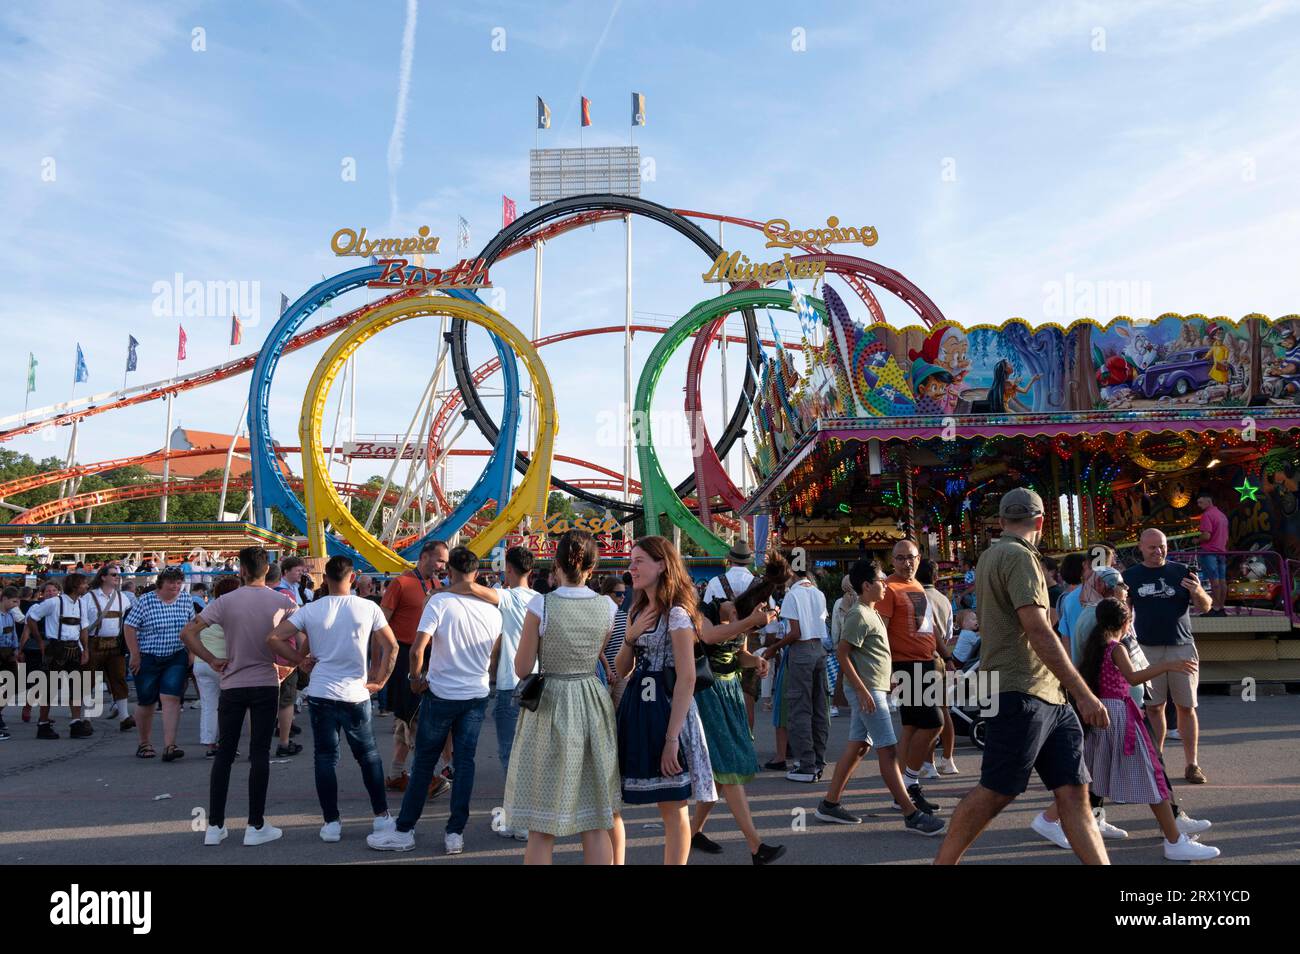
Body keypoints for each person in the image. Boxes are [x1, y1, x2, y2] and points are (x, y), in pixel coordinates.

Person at [935, 488, 1111, 865]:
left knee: (1074, 792)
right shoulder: (1018, 557)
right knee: (996, 791)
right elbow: (1037, 629)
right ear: (1041, 523)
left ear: (1000, 522)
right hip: (1020, 691)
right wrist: (1084, 691)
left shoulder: (990, 556)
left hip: (1045, 694)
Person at [367, 547, 501, 856]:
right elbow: (493, 657)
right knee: (464, 763)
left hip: (441, 693)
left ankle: (404, 830)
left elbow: (417, 649)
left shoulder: (439, 602)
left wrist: (415, 679)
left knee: (425, 761)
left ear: (449, 571)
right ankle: (455, 833)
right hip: (476, 694)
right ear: (477, 575)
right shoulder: (493, 611)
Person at [503, 530, 624, 864]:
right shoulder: (607, 607)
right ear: (592, 567)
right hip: (591, 700)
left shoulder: (541, 603)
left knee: (542, 826)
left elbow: (523, 667)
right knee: (596, 821)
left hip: (551, 703)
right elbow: (598, 653)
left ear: (555, 564)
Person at [267, 555, 399, 843]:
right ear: (352, 578)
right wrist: (381, 680)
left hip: (321, 692)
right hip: (355, 692)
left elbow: (274, 638)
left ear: (324, 579)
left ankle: (331, 822)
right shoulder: (367, 608)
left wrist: (299, 660)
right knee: (368, 756)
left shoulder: (311, 609)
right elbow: (392, 646)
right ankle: (381, 816)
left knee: (325, 758)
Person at [1077, 599, 1220, 860]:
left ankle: (1052, 819)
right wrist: (1168, 665)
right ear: (1125, 622)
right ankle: (1175, 841)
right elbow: (1133, 678)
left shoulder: (1095, 647)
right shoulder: (1116, 648)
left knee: (1092, 775)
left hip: (1105, 715)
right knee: (1152, 776)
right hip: (1119, 715)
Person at [814, 559, 945, 835]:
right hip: (868, 691)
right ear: (866, 586)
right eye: (880, 581)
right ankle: (910, 813)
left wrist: (888, 679)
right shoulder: (859, 614)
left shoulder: (870, 612)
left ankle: (830, 803)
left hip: (874, 688)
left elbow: (872, 654)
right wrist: (862, 690)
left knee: (860, 746)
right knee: (887, 749)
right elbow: (842, 653)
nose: (885, 585)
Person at [178, 546, 298, 846]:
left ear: (242, 570)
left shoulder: (225, 602)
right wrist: (294, 661)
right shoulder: (282, 601)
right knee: (259, 754)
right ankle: (255, 824)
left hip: (233, 681)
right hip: (266, 681)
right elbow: (303, 633)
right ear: (267, 569)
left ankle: (215, 825)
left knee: (225, 754)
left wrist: (210, 658)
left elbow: (188, 633)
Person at [614, 535, 717, 865]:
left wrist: (672, 738)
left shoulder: (677, 614)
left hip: (668, 709)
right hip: (638, 707)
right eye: (631, 561)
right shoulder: (636, 609)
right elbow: (621, 669)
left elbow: (687, 678)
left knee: (673, 805)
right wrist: (629, 638)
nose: (632, 567)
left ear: (662, 565)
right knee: (650, 801)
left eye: (639, 560)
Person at [687, 570, 787, 864]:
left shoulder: (743, 618)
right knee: (728, 765)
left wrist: (755, 660)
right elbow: (711, 635)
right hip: (708, 692)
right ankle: (756, 847)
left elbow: (738, 653)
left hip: (730, 691)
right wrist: (749, 622)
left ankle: (693, 831)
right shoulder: (703, 611)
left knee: (722, 772)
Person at [1122, 529, 1212, 784]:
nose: (1158, 551)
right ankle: (1156, 761)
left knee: (1186, 706)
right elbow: (1125, 613)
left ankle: (1192, 763)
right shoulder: (1131, 577)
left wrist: (1197, 592)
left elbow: (1205, 606)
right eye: (1152, 547)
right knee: (1153, 707)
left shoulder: (1181, 571)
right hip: (1147, 649)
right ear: (1140, 547)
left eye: (1161, 546)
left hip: (1181, 646)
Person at [877, 540, 948, 812]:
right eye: (901, 558)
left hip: (925, 663)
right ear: (892, 561)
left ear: (920, 559)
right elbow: (881, 632)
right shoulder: (889, 589)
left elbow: (929, 628)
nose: (907, 563)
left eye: (912, 557)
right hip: (906, 666)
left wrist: (948, 656)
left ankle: (902, 792)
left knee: (911, 727)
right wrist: (889, 669)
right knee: (934, 722)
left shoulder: (917, 586)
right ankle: (910, 784)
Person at [380, 540, 449, 794]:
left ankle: (396, 773)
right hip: (406, 656)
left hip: (428, 657)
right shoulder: (401, 583)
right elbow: (381, 623)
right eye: (440, 560)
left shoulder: (436, 585)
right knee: (418, 720)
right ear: (424, 557)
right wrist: (382, 663)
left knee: (407, 721)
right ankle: (425, 778)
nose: (443, 566)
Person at [763, 558, 830, 783]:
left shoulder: (792, 595)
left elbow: (794, 632)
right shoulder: (817, 593)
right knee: (820, 709)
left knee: (800, 710)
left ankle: (806, 765)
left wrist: (773, 648)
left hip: (801, 652)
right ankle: (818, 760)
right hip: (819, 649)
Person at [489, 545, 538, 839]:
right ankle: (527, 814)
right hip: (536, 681)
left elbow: (477, 592)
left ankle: (517, 818)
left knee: (510, 751)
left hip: (511, 682)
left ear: (508, 569)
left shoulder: (506, 597)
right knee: (531, 751)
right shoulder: (541, 600)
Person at [123, 567, 194, 761]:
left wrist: (192, 652)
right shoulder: (146, 601)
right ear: (161, 583)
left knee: (171, 698)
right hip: (148, 656)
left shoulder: (185, 599)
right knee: (147, 700)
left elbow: (191, 626)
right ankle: (144, 743)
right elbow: (129, 627)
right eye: (171, 582)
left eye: (179, 582)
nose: (175, 586)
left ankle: (170, 745)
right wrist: (135, 654)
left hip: (176, 654)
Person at [25, 574, 92, 740]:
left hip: (74, 648)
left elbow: (83, 628)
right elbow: (32, 619)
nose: (87, 586)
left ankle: (76, 723)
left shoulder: (82, 603)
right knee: (49, 687)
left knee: (76, 686)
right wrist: (40, 641)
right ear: (75, 586)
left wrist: (85, 650)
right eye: (84, 584)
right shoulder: (54, 602)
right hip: (55, 647)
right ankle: (43, 724)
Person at [82, 563, 136, 733]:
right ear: (103, 577)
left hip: (115, 643)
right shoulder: (88, 598)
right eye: (113, 574)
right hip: (93, 642)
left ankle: (124, 717)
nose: (117, 578)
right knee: (88, 681)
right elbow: (82, 624)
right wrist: (83, 647)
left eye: (118, 575)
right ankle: (85, 718)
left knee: (119, 678)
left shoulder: (123, 598)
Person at [918, 558, 959, 777]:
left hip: (924, 657)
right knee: (944, 710)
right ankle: (948, 759)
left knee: (927, 714)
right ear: (936, 577)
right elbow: (950, 632)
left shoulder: (915, 597)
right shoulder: (944, 599)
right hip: (942, 658)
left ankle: (928, 762)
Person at [193, 576, 240, 757]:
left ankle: (210, 744)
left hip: (202, 663)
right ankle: (227, 743)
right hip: (223, 664)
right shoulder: (232, 612)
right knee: (229, 707)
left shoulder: (208, 610)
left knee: (208, 705)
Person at [1197, 492, 1229, 616]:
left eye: (1200, 502)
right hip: (1221, 551)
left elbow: (1206, 535)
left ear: (1208, 501)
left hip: (1210, 551)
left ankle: (1215, 608)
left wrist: (1197, 540)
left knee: (1214, 582)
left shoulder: (1207, 515)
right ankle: (1221, 607)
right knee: (1222, 581)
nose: (1199, 505)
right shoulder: (1222, 515)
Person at [0, 586, 24, 740]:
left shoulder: (9, 615)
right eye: (14, 601)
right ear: (4, 599)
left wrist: (16, 649)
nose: (16, 605)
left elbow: (13, 633)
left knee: (12, 684)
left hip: (8, 653)